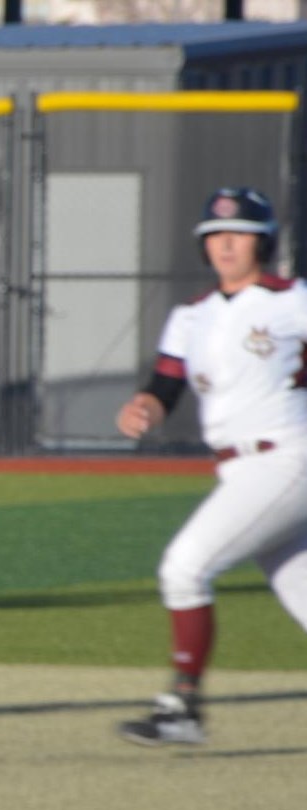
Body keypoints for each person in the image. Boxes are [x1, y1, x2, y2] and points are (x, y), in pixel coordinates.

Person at [115, 185, 307, 745]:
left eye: (240, 234)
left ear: (263, 242)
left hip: (288, 457)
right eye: (216, 236)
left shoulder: (292, 298)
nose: (226, 245)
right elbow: (165, 387)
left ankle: (182, 707)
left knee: (185, 566)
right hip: (238, 469)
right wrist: (144, 407)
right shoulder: (189, 318)